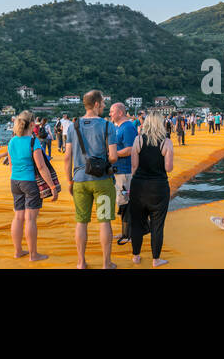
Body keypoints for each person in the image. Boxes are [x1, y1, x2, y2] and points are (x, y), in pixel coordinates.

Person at [64, 90, 118, 269]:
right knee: (104, 221)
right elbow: (113, 157)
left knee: (81, 221)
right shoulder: (107, 126)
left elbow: (67, 157)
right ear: (96, 104)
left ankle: (81, 262)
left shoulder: (74, 126)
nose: (104, 106)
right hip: (101, 180)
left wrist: (69, 181)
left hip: (79, 179)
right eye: (102, 103)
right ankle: (106, 263)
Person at [0, 111, 57, 262]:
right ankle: (33, 254)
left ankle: (18, 251)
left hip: (15, 181)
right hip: (30, 182)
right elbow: (41, 167)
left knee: (18, 217)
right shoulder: (33, 142)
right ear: (31, 124)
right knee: (30, 219)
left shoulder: (12, 141)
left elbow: (10, 166)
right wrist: (52, 186)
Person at [128, 112, 174, 267]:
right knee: (157, 224)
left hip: (139, 186)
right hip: (159, 188)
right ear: (160, 124)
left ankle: (136, 256)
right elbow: (169, 167)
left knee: (137, 223)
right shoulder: (166, 142)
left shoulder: (138, 140)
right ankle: (156, 259)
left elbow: (133, 167)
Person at [107, 103, 138, 246]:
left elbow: (131, 149)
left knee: (126, 202)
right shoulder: (118, 127)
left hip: (125, 172)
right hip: (118, 172)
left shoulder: (128, 127)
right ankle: (125, 231)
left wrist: (113, 154)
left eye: (112, 111)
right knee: (122, 202)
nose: (110, 114)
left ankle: (129, 234)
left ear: (120, 112)